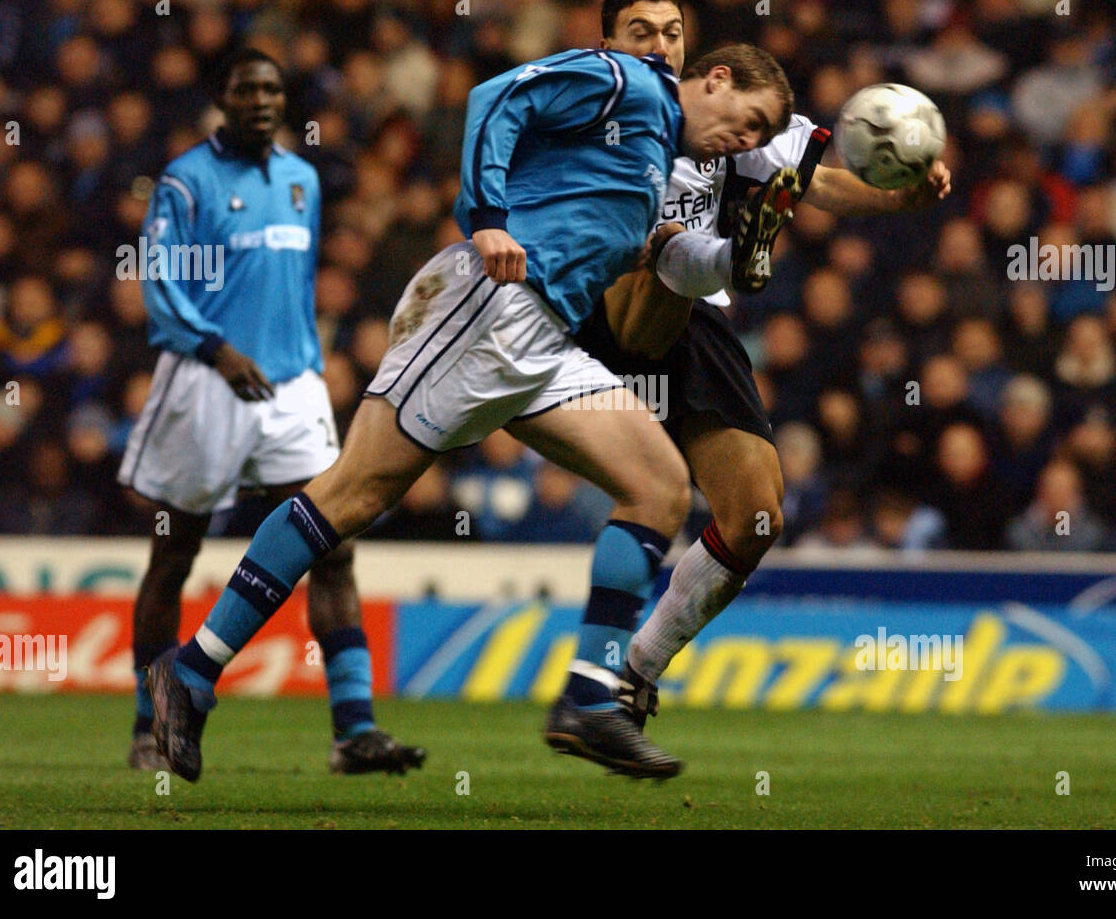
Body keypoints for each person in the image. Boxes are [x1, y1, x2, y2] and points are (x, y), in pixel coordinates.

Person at [147, 42, 795, 782]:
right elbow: (498, 97)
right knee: (350, 496)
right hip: (491, 308)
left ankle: (589, 698)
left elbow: (661, 259)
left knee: (659, 487)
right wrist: (485, 216)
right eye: (748, 123)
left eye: (758, 140)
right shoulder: (628, 82)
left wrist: (732, 259)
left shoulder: (652, 161)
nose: (744, 144)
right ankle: (192, 672)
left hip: (546, 340)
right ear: (717, 80)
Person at [578, 0, 951, 734]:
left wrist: (899, 196)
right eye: (640, 31)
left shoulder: (738, 124)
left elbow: (828, 186)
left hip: (691, 320)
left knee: (755, 515)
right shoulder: (590, 102)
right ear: (608, 43)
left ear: (698, 54)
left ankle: (633, 673)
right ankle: (714, 256)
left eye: (672, 31)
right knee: (652, 259)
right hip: (589, 298)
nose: (659, 45)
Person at [119, 48, 424, 776]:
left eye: (271, 89)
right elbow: (158, 280)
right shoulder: (186, 181)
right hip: (207, 379)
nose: (260, 99)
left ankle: (354, 731)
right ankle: (148, 724)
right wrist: (214, 348)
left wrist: (304, 356)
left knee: (334, 544)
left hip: (293, 387)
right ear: (221, 99)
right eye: (245, 88)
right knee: (176, 553)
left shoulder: (300, 179)